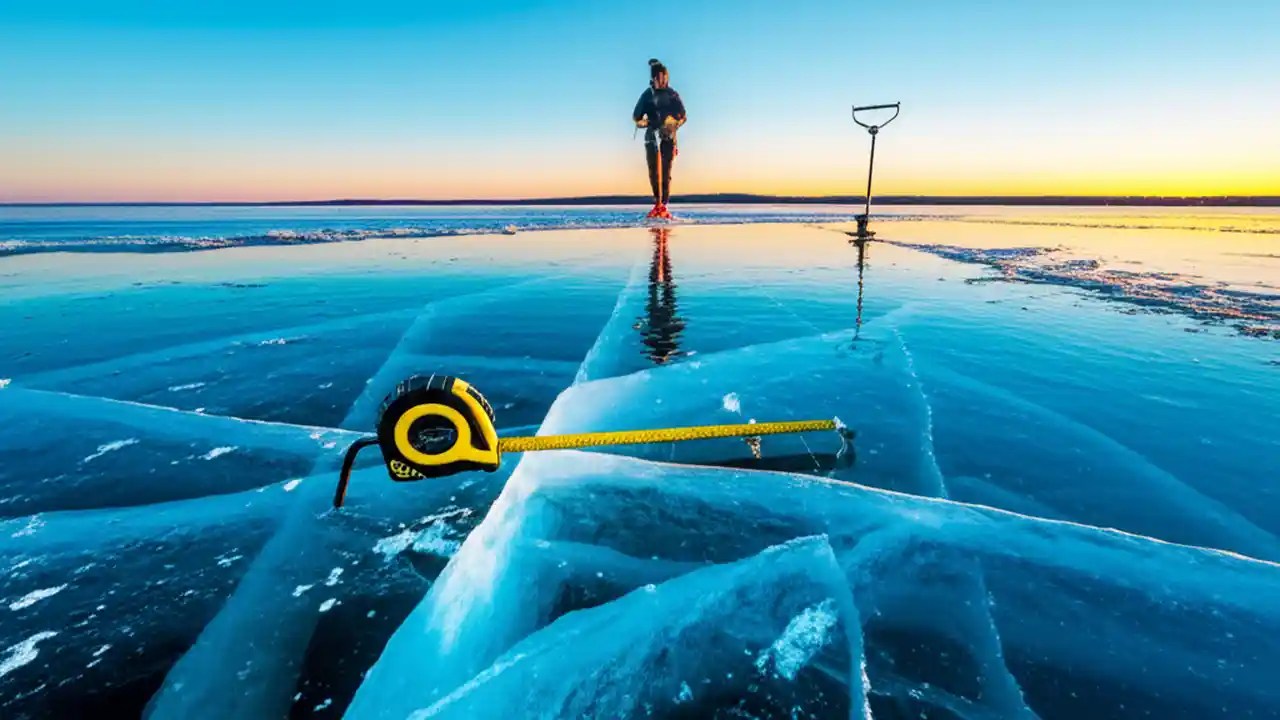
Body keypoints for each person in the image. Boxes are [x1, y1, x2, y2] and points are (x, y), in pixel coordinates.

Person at [632, 58, 686, 219]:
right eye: (658, 78)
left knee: (665, 170)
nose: (661, 81)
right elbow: (636, 117)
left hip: (668, 136)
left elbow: (683, 116)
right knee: (653, 170)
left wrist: (674, 122)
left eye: (664, 78)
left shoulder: (672, 94)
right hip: (652, 136)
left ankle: (664, 204)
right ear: (653, 79)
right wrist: (643, 122)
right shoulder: (647, 95)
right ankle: (657, 202)